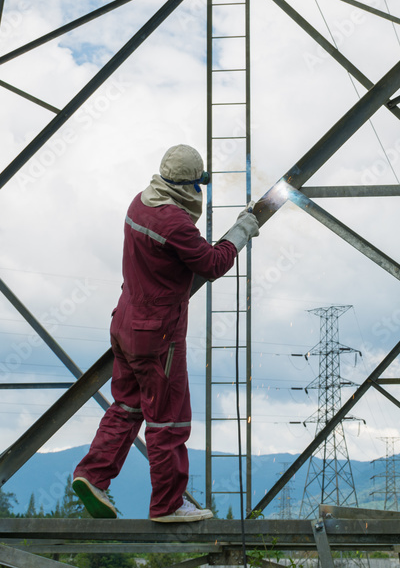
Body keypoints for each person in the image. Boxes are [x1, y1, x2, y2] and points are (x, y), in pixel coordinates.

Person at [71, 144, 260, 522]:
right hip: (157, 337)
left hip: (124, 324)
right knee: (168, 418)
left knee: (126, 406)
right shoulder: (174, 223)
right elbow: (211, 263)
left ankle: (92, 476)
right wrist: (241, 232)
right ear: (190, 186)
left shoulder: (139, 204)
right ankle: (168, 504)